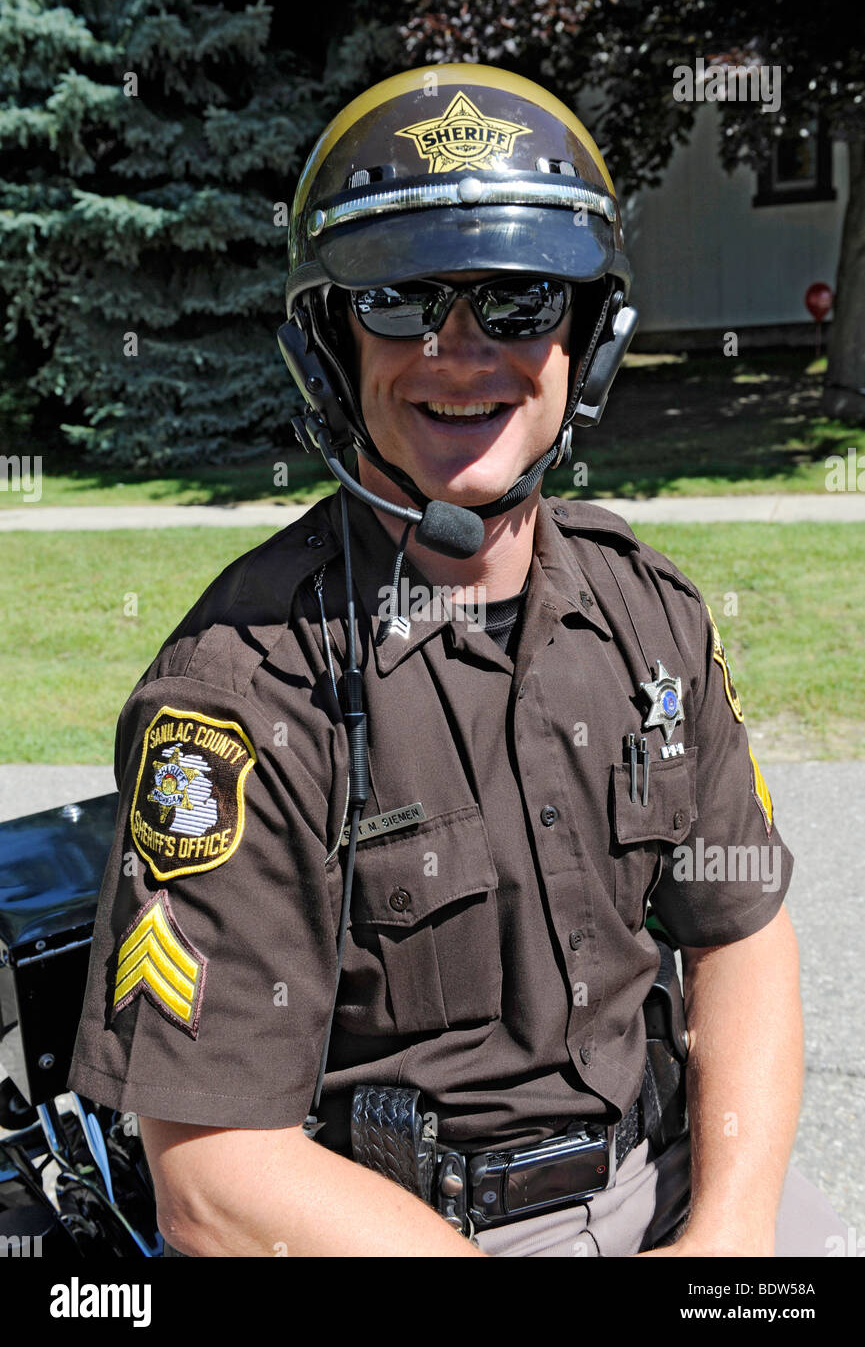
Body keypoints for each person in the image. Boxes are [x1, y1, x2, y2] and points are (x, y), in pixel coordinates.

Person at [70, 64, 847, 1258]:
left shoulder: (652, 616)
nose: (460, 349)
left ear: (587, 339)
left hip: (673, 1184)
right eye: (399, 300)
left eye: (520, 299)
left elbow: (738, 929)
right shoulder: (239, 693)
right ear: (329, 346)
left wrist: (729, 1235)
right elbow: (217, 1179)